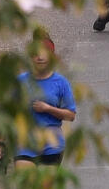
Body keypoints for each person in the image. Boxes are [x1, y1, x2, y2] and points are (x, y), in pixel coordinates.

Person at [16, 29, 76, 173]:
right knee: (26, 186)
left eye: (44, 54)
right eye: (36, 55)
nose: (40, 58)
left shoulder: (61, 82)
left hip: (52, 143)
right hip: (25, 141)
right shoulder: (20, 81)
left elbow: (71, 115)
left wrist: (48, 109)